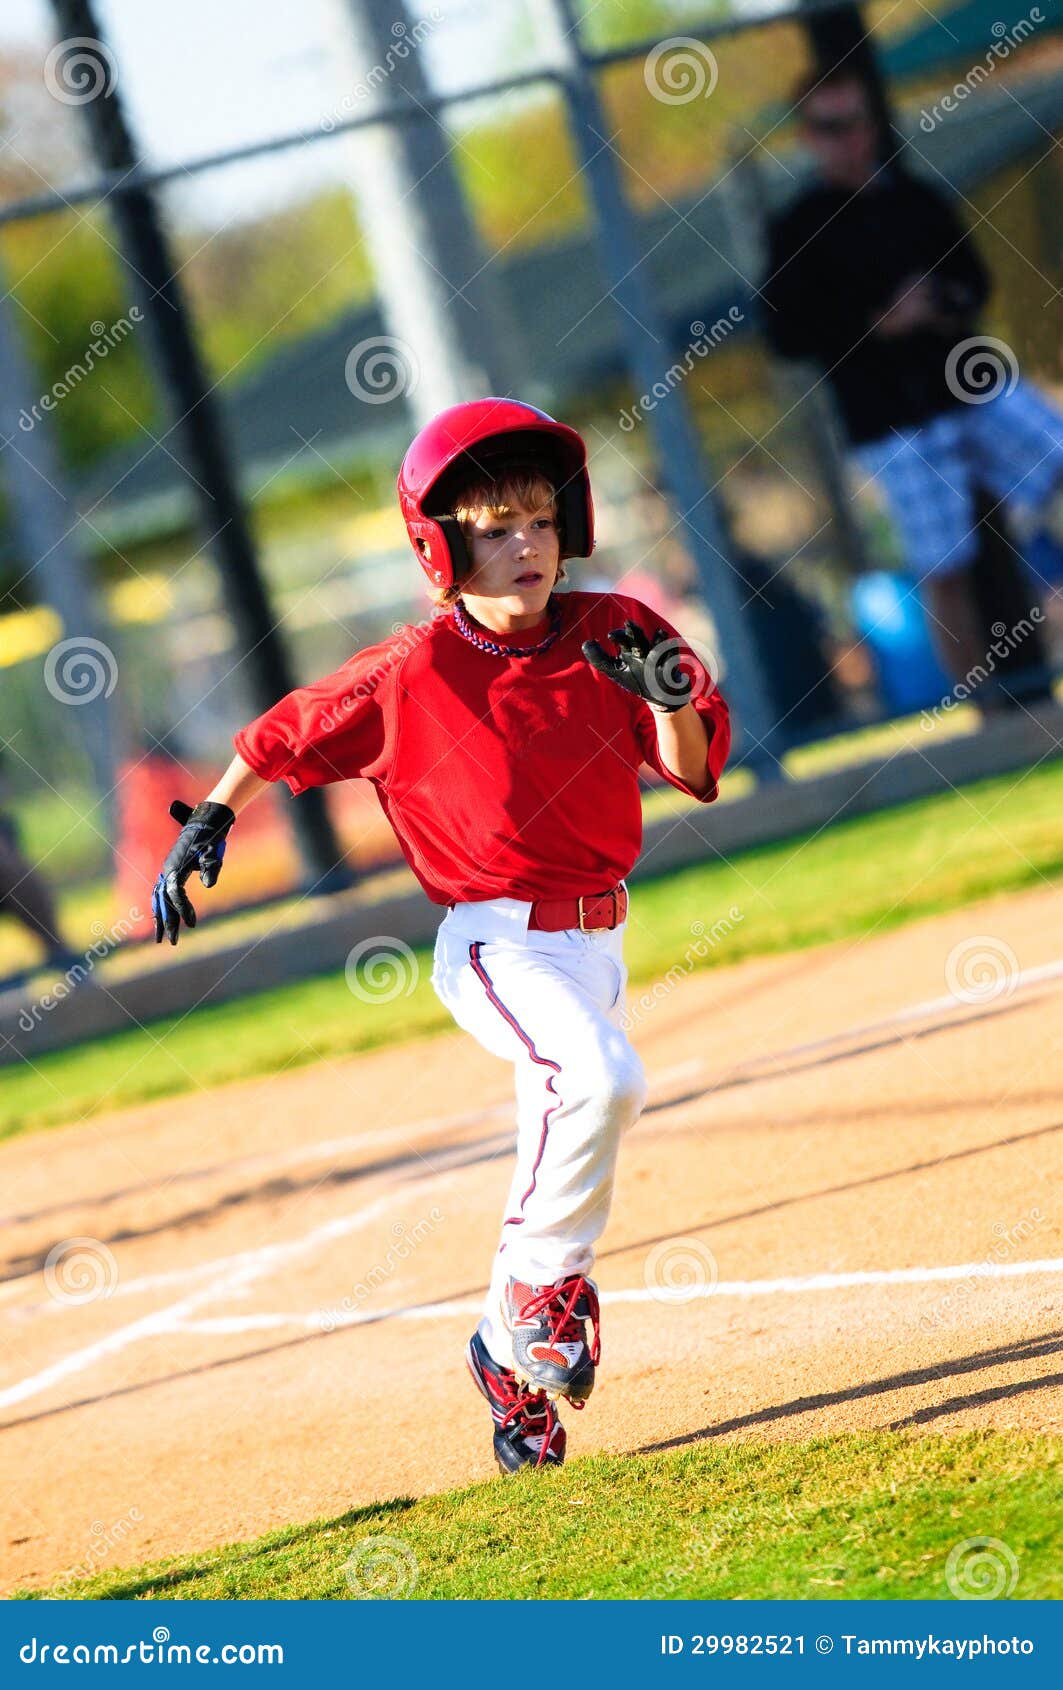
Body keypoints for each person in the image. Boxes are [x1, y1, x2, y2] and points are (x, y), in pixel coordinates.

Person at [151, 398, 730, 1474]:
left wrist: (668, 702)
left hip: (598, 939)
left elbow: (695, 772)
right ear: (440, 545)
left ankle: (508, 1363)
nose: (527, 547)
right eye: (496, 527)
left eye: (542, 523)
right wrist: (207, 824)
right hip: (493, 941)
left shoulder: (619, 631)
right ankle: (537, 1292)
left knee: (560, 1126)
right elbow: (281, 733)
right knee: (599, 1078)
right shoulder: (413, 667)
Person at [761, 66, 1063, 691]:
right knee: (944, 563)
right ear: (808, 136)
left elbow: (974, 282)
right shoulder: (798, 228)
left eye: (858, 122)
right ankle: (987, 711)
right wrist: (874, 322)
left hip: (969, 387)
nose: (850, 139)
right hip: (890, 418)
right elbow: (786, 334)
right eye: (830, 127)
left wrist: (937, 304)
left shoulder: (914, 199)